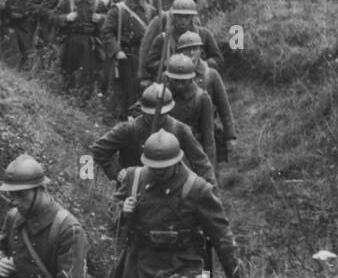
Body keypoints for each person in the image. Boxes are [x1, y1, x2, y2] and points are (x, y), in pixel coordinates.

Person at [108, 131, 241, 278]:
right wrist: (123, 211)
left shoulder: (198, 189)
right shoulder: (134, 178)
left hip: (181, 268)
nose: (159, 173)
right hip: (138, 266)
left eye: (164, 168)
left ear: (177, 161)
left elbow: (222, 237)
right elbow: (112, 220)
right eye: (154, 168)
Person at [89, 83, 217, 188]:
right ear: (143, 109)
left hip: (171, 193)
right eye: (151, 114)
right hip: (133, 191)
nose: (156, 118)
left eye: (161, 115)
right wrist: (116, 172)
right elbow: (96, 150)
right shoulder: (128, 129)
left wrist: (210, 191)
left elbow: (202, 163)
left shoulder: (180, 129)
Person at [177, 29, 237, 163]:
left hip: (206, 133)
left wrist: (230, 136)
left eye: (195, 48)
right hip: (180, 134)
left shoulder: (211, 75)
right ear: (179, 52)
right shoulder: (172, 75)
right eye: (187, 49)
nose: (191, 53)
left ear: (201, 51)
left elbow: (224, 107)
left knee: (209, 171)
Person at [138, 0, 223, 86]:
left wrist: (198, 64)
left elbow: (217, 59)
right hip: (171, 84)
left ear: (192, 17)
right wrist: (168, 63)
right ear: (174, 16)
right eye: (180, 16)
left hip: (198, 82)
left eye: (187, 17)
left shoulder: (204, 35)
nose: (183, 20)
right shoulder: (163, 39)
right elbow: (150, 64)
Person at [102, 0, 152, 118]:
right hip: (126, 58)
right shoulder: (119, 9)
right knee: (124, 96)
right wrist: (116, 51)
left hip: (145, 59)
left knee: (144, 92)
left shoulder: (151, 11)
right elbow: (106, 32)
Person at [57, 0, 106, 102]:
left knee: (88, 77)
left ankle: (84, 104)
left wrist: (101, 19)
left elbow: (109, 25)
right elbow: (52, 19)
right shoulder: (67, 1)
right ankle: (67, 103)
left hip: (90, 46)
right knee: (68, 75)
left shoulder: (99, 3)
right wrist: (66, 18)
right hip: (70, 44)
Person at [164, 53, 217, 173]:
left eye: (183, 81)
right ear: (168, 78)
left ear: (191, 78)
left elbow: (208, 137)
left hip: (191, 151)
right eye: (175, 80)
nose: (179, 85)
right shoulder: (162, 93)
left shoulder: (201, 98)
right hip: (165, 148)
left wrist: (210, 170)